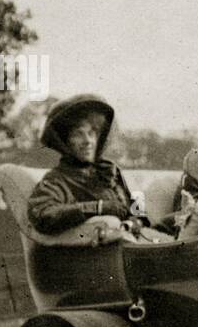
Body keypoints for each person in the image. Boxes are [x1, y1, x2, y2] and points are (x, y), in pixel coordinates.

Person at [27, 94, 171, 243]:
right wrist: (98, 207)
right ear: (64, 141)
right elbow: (42, 214)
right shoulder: (57, 179)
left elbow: (138, 210)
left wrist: (134, 222)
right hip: (110, 254)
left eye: (92, 133)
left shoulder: (110, 171)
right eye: (78, 134)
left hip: (139, 239)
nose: (88, 141)